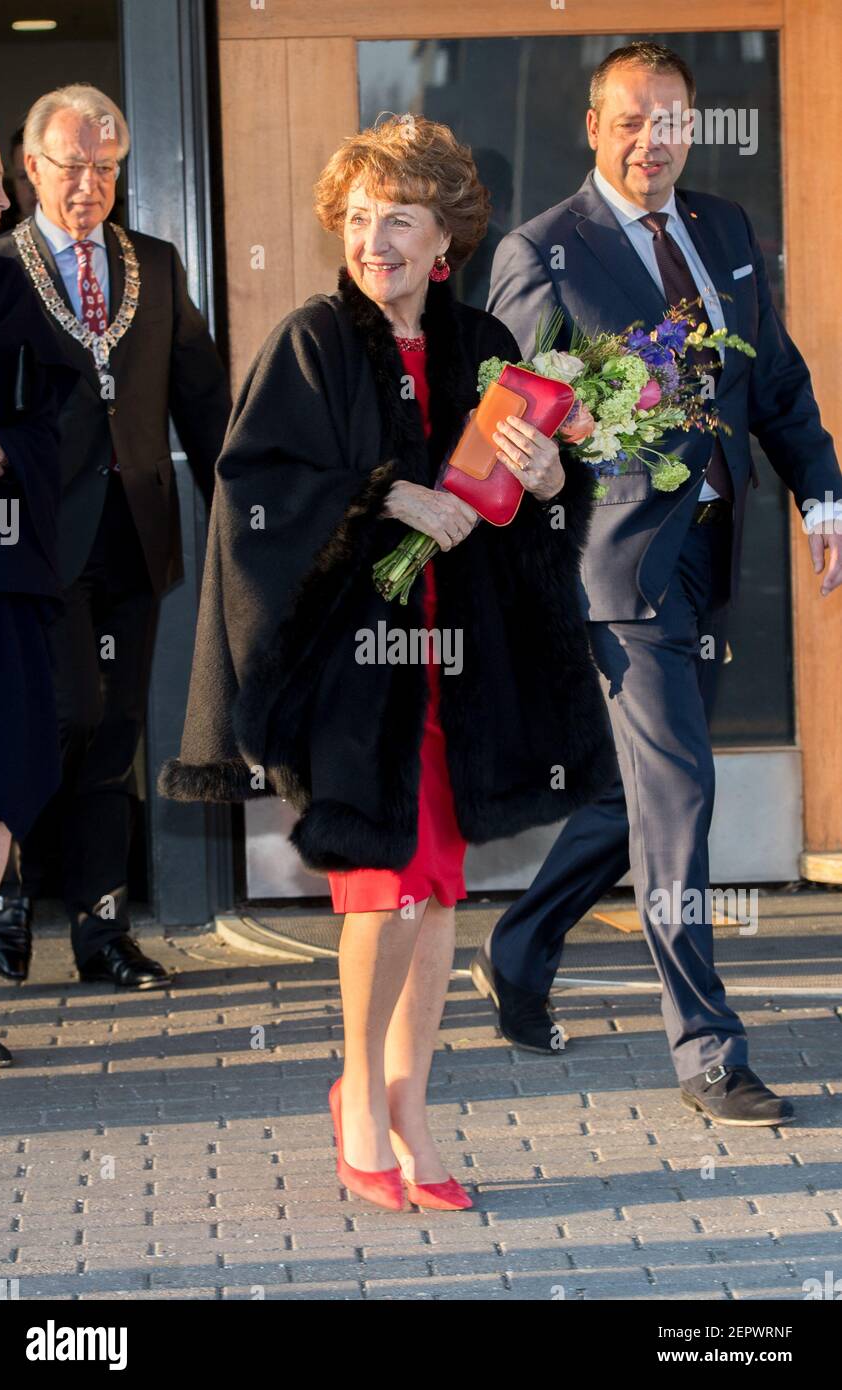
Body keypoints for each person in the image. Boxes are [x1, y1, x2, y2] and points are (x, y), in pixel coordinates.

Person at [160, 115, 616, 1210]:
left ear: (444, 236)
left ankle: (411, 1105)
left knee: (437, 896)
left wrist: (552, 482)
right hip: (354, 675)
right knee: (379, 893)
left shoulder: (482, 352)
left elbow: (534, 523)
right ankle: (358, 1095)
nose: (375, 241)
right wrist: (374, 501)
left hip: (455, 677)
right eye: (359, 220)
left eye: (397, 220)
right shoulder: (311, 341)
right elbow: (251, 498)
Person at [481, 41, 842, 1126]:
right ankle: (705, 1050)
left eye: (671, 120)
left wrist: (820, 494)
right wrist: (556, 439)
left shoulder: (723, 230)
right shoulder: (542, 250)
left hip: (708, 552)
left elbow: (769, 374)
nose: (653, 141)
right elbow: (508, 411)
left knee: (630, 790)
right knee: (681, 794)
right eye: (631, 121)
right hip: (608, 564)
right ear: (591, 126)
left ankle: (517, 942)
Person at [0, 84, 232, 989]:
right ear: (30, 166)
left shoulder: (155, 265)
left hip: (132, 534)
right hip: (29, 541)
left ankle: (100, 928)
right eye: (71, 166)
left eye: (107, 167)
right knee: (59, 715)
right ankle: (3, 894)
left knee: (113, 730)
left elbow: (203, 400)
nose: (89, 184)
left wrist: (245, 515)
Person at [0, 106, 74, 1066]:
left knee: (2, 777)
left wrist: (2, 446)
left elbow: (53, 415)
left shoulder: (5, 286)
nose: (4, 197)